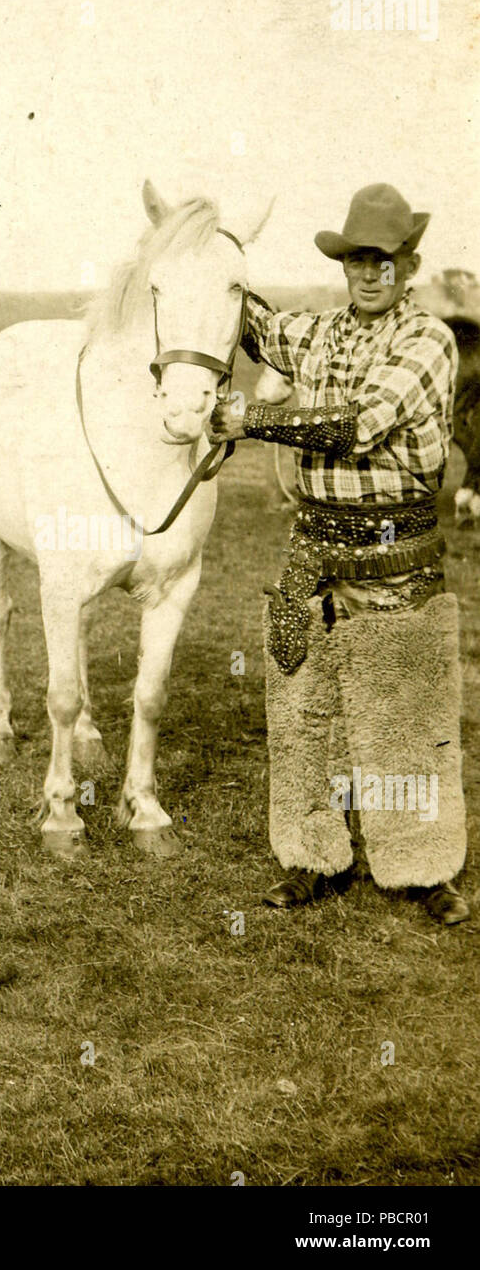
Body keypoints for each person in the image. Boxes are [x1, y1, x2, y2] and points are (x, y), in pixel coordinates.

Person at [210, 184, 470, 925]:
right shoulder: (317, 331)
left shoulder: (426, 340)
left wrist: (249, 417)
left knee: (405, 716)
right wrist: (212, 261)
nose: (369, 274)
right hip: (312, 546)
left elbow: (355, 425)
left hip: (398, 550)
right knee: (301, 713)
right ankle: (308, 857)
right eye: (358, 258)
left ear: (407, 265)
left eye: (383, 261)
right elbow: (254, 327)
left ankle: (422, 870)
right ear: (344, 263)